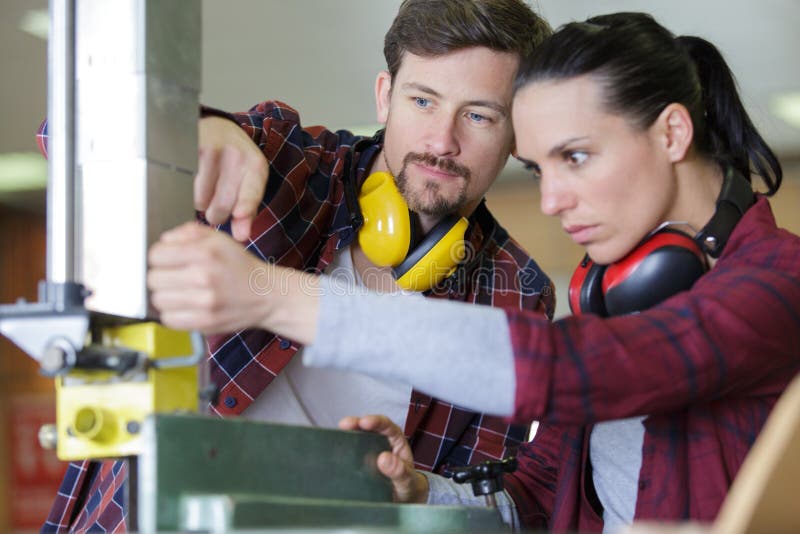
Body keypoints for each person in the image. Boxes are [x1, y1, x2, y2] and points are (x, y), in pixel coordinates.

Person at [148, 11, 800, 533]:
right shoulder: (615, 299)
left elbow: (574, 370)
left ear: (672, 134)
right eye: (543, 169)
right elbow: (533, 501)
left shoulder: (781, 280)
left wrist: (274, 296)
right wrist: (420, 491)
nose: (551, 202)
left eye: (576, 157)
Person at [40, 1, 555, 531]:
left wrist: (419, 492)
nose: (442, 141)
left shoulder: (516, 291)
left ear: (517, 134)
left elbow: (492, 507)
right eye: (423, 100)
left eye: (478, 115)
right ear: (385, 96)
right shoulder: (283, 159)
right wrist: (186, 128)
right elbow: (63, 133)